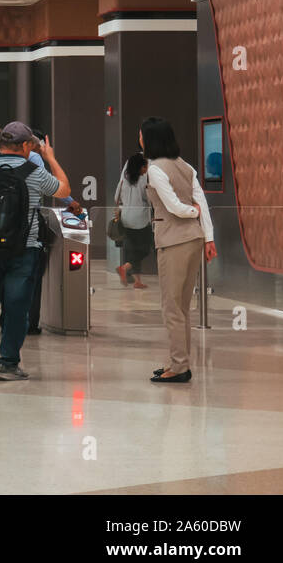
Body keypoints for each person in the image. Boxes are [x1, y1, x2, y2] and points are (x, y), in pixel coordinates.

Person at [0, 121, 70, 381]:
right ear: (24, 145)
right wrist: (51, 158)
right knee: (16, 307)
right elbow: (64, 190)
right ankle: (8, 364)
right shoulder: (33, 171)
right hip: (24, 249)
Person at [140, 117, 216, 384]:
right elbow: (202, 202)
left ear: (150, 140)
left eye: (141, 135)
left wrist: (190, 212)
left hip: (173, 242)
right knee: (182, 306)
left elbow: (174, 206)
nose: (139, 139)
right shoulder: (186, 166)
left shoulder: (155, 169)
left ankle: (180, 366)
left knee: (172, 307)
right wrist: (208, 237)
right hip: (194, 240)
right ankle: (178, 361)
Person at [21, 126, 84, 334]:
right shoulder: (36, 159)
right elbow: (56, 187)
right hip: (30, 224)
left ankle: (6, 320)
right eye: (40, 146)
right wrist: (71, 202)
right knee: (33, 275)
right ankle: (30, 323)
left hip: (2, 228)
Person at [113, 153, 152, 290]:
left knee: (133, 249)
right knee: (145, 249)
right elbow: (148, 199)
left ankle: (137, 281)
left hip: (126, 218)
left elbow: (116, 196)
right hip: (140, 219)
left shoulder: (124, 178)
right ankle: (124, 268)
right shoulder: (143, 180)